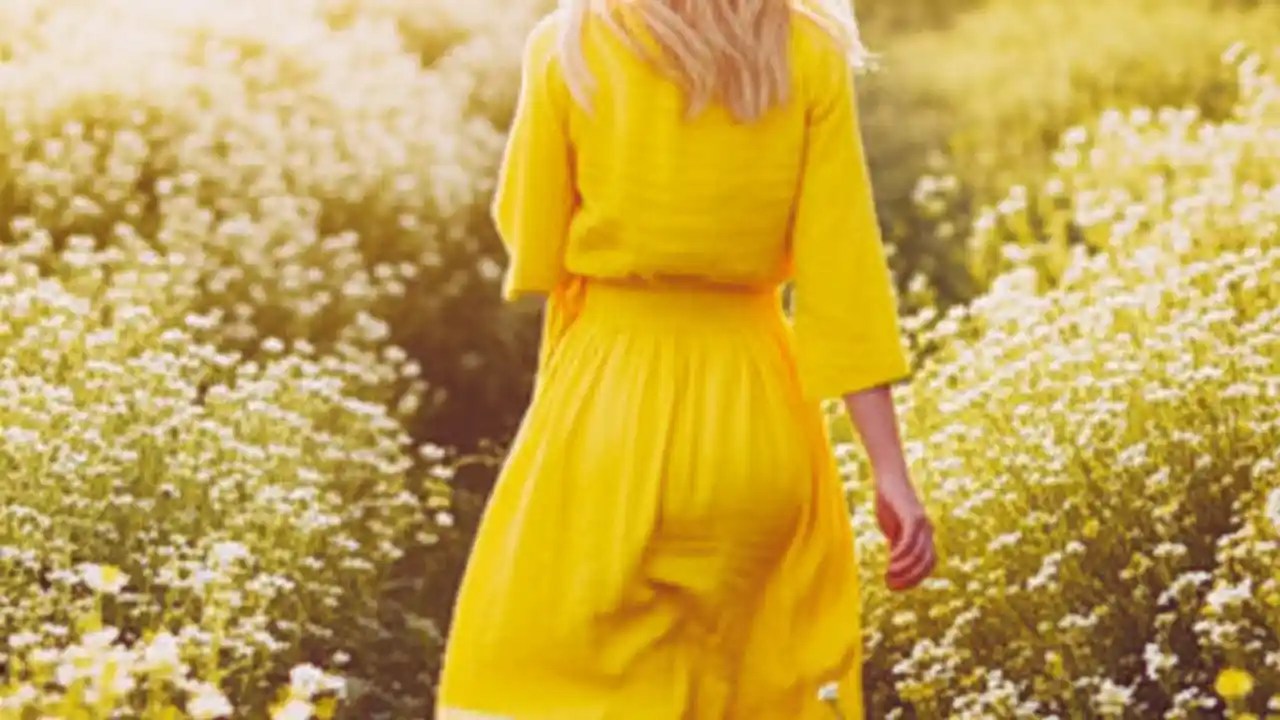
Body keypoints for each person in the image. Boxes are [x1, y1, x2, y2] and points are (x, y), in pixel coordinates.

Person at [437, 0, 936, 717]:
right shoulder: (807, 51)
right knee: (752, 684)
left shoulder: (569, 45)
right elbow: (845, 278)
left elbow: (531, 236)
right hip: (754, 422)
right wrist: (891, 473)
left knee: (551, 683)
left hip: (607, 409)